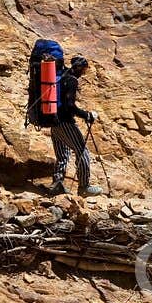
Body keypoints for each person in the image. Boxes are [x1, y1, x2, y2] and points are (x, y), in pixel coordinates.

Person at [49, 55, 104, 197]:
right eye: (84, 70)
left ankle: (57, 184)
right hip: (65, 122)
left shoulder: (62, 75)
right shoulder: (72, 80)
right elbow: (70, 106)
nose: (83, 73)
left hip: (52, 120)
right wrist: (87, 115)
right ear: (79, 67)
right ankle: (84, 187)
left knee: (63, 154)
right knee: (82, 151)